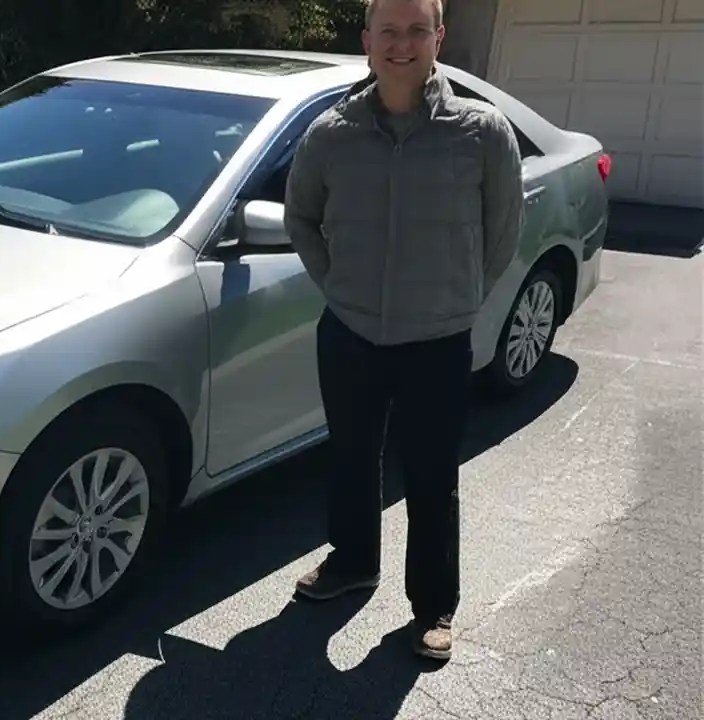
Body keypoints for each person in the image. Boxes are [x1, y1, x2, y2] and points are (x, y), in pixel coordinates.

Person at [282, 0, 524, 661]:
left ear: (439, 37)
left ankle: (433, 607)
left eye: (417, 29)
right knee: (351, 459)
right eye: (388, 30)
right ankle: (353, 561)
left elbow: (504, 229)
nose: (402, 43)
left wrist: (462, 297)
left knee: (430, 475)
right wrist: (337, 286)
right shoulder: (331, 134)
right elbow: (300, 217)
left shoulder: (481, 132)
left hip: (437, 343)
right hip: (350, 333)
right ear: (366, 40)